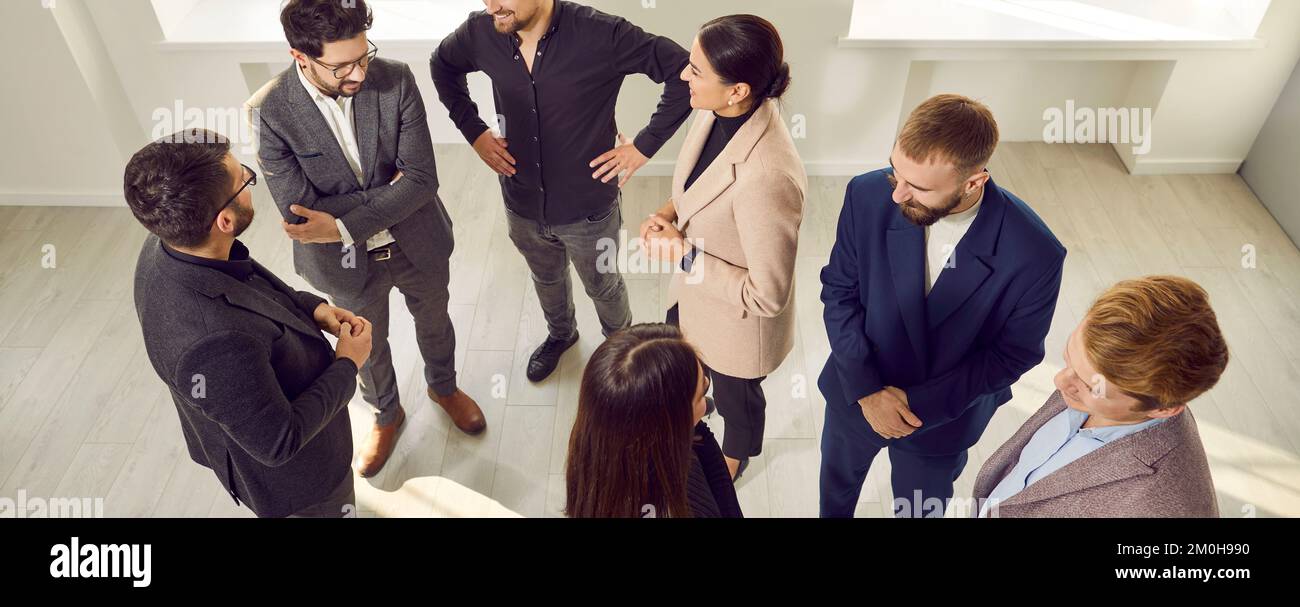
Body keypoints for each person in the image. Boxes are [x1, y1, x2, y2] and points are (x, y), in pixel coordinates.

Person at [248, 0, 483, 479]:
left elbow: (421, 180)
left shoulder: (396, 78)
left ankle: (444, 386)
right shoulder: (269, 110)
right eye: (341, 67)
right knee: (366, 345)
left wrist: (338, 218)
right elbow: (298, 214)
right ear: (301, 58)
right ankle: (387, 413)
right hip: (342, 264)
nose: (358, 73)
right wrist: (385, 194)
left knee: (435, 320)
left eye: (364, 56)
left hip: (420, 241)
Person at [818, 94, 1067, 518]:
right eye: (896, 172)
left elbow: (1015, 353)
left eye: (917, 187)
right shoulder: (866, 194)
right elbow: (839, 289)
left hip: (941, 422)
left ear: (974, 182)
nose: (897, 194)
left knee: (919, 513)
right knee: (835, 491)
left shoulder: (1035, 253)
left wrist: (915, 406)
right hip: (853, 390)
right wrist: (866, 390)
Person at [429, 0, 693, 382]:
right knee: (546, 278)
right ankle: (562, 335)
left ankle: (622, 355)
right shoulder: (481, 30)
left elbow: (683, 73)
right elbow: (443, 66)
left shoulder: (602, 33)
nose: (491, 6)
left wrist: (642, 147)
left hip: (588, 207)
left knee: (604, 285)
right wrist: (474, 131)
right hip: (521, 202)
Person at [127, 129, 372, 518]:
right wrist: (348, 363)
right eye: (243, 178)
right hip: (303, 484)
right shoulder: (214, 344)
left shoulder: (170, 243)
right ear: (225, 220)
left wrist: (312, 309)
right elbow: (279, 442)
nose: (247, 178)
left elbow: (248, 282)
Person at [643, 14, 805, 481]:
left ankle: (738, 451)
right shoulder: (716, 109)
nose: (682, 76)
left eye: (695, 70)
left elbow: (768, 295)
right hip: (692, 299)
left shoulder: (768, 176)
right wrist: (670, 213)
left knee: (739, 402)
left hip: (737, 326)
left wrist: (683, 254)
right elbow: (702, 184)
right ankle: (701, 405)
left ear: (738, 89)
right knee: (687, 366)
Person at [973, 276, 1228, 517]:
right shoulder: (1095, 372)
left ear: (1163, 409)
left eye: (1089, 387)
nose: (1060, 381)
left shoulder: (1165, 507)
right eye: (1069, 357)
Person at [565, 324, 742, 518]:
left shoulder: (598, 440)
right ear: (669, 424)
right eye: (701, 394)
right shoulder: (690, 506)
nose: (708, 385)